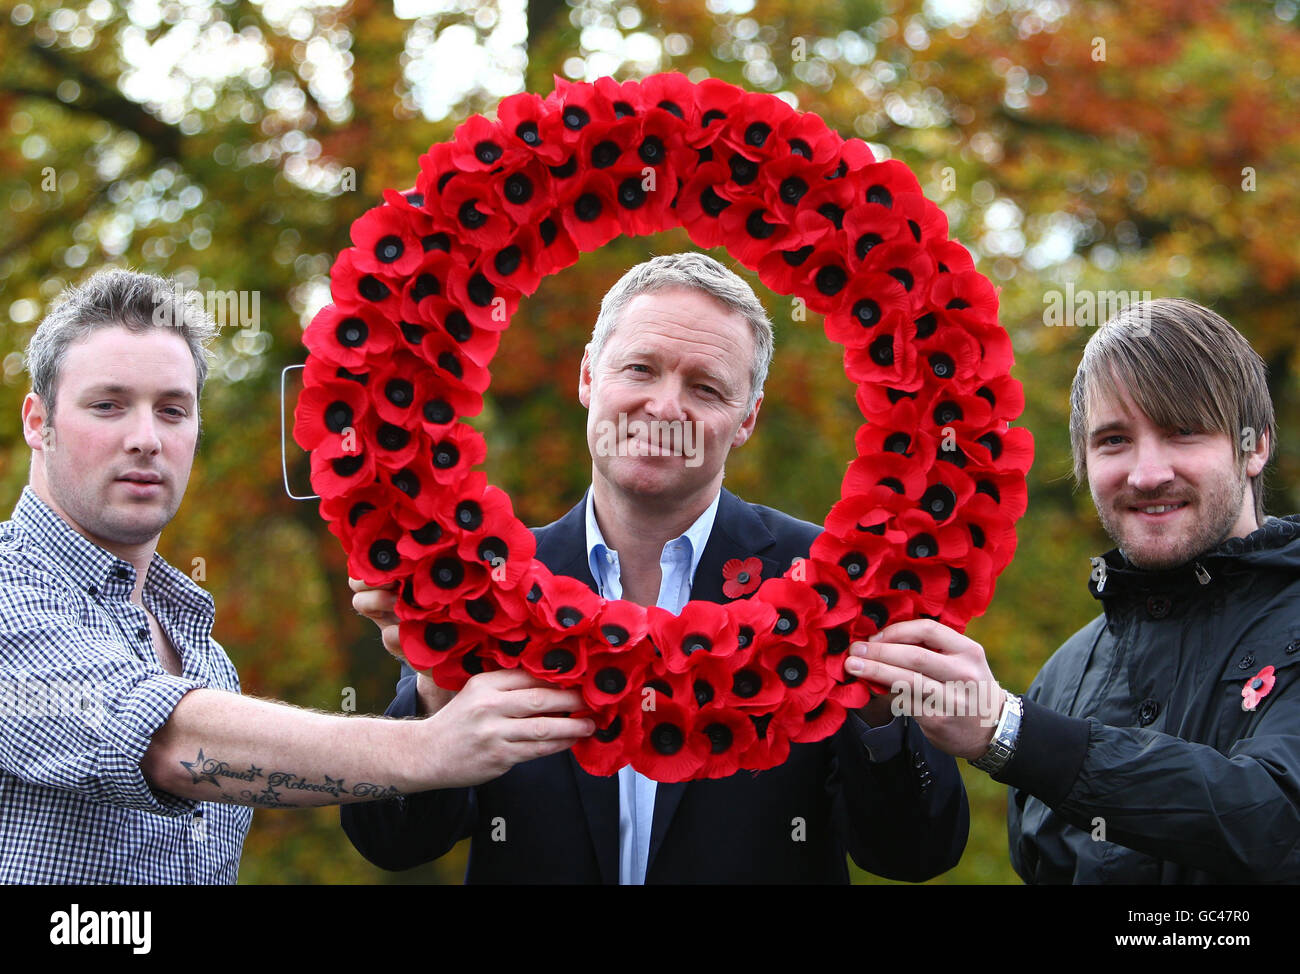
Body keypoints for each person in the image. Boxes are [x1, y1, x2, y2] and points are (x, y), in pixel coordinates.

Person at [342, 252, 969, 884]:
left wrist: (881, 713)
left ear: (746, 418)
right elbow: (394, 842)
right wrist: (438, 685)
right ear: (589, 376)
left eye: (706, 388)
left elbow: (915, 853)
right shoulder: (486, 582)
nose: (666, 409)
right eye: (640, 369)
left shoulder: (833, 583)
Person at [0, 268, 593, 884]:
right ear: (37, 422)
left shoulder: (202, 651)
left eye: (173, 410)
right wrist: (435, 746)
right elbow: (165, 742)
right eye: (108, 406)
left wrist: (436, 667)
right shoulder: (9, 593)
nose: (146, 439)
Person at [849, 298, 1300, 883]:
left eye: (1183, 432)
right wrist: (886, 722)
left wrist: (1009, 733)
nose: (1146, 473)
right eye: (1114, 440)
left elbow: (1272, 817)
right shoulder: (1067, 674)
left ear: (1254, 446)